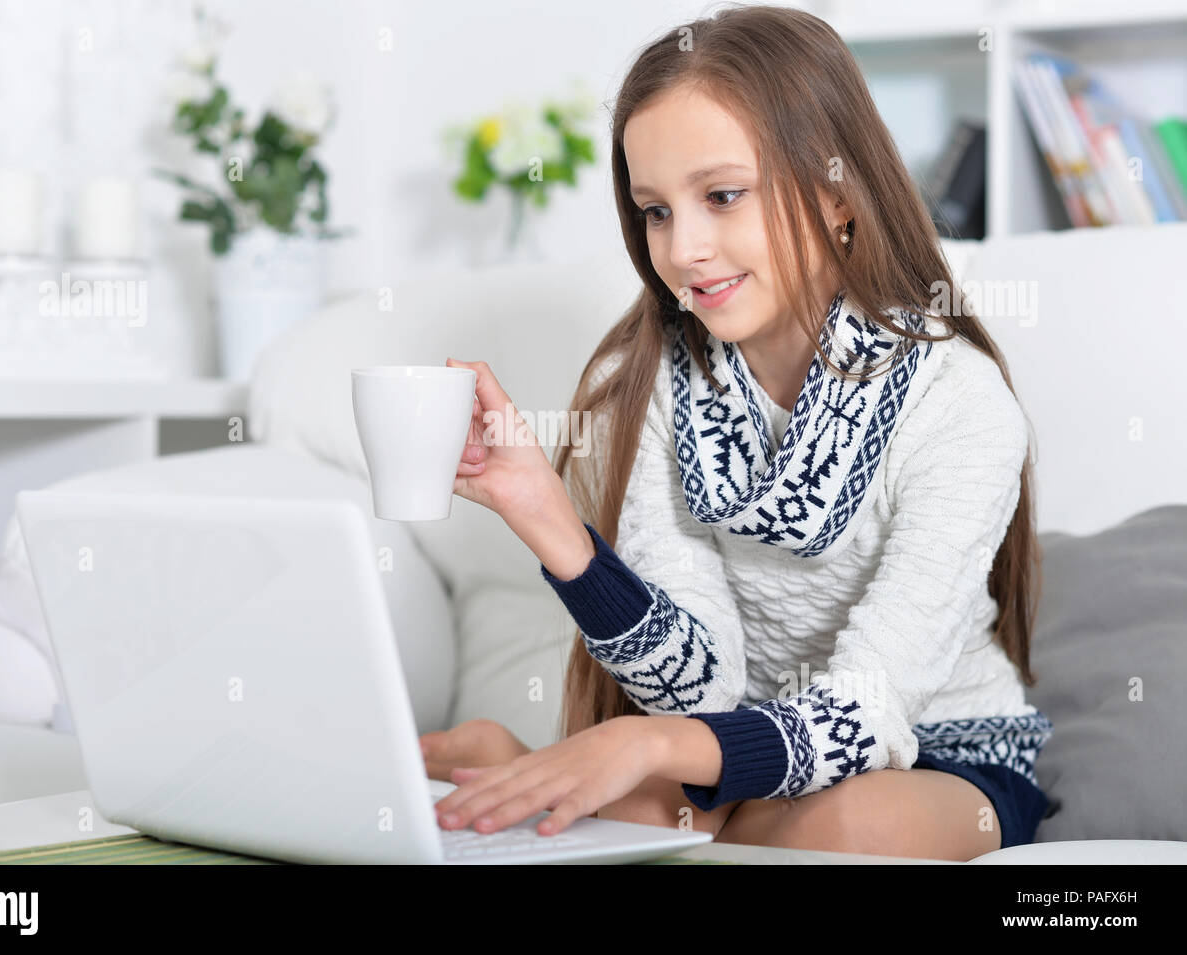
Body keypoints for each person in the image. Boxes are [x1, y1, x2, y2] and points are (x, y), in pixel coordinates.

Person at [421, 4, 1056, 862]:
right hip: (736, 745)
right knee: (654, 810)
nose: (683, 249)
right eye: (654, 210)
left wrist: (647, 750)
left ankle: (558, 783)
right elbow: (701, 684)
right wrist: (547, 518)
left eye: (722, 196)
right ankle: (608, 798)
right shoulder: (653, 390)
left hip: (937, 749)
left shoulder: (959, 403)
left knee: (841, 827)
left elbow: (868, 707)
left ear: (838, 197)